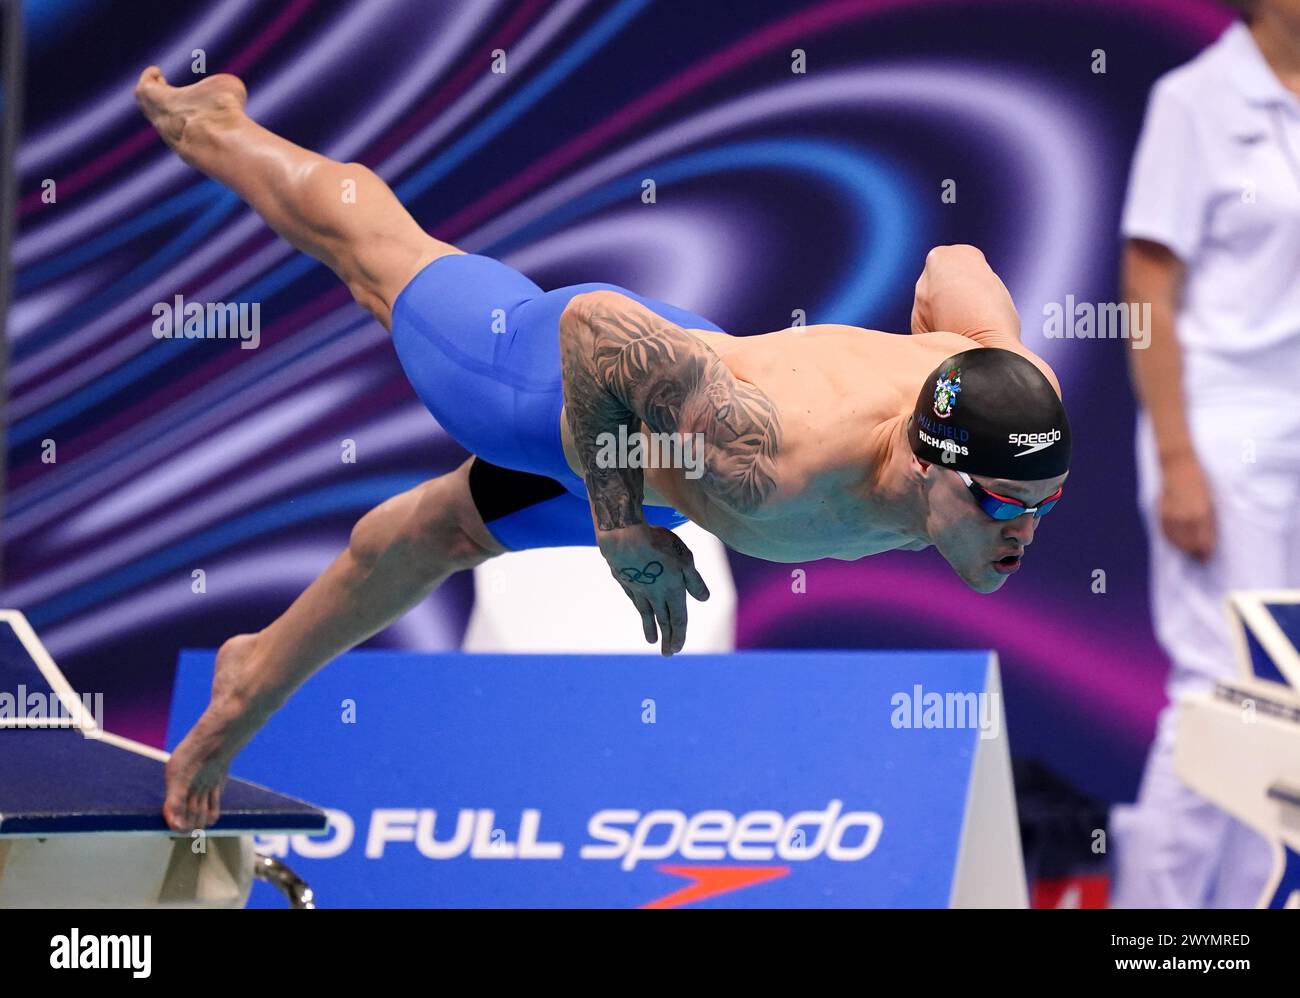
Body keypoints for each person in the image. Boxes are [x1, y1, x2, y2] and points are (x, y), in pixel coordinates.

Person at [133, 67, 1070, 831]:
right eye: (999, 501)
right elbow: (592, 325)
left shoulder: (1009, 393)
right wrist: (619, 532)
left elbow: (954, 266)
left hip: (683, 430)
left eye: (1042, 503)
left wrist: (932, 362)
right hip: (568, 390)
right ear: (924, 461)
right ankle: (210, 126)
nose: (1023, 528)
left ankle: (253, 673)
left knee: (438, 534)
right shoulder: (776, 451)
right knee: (385, 262)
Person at [1112, 0, 1300, 907]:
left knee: (1292, 702)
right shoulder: (1195, 102)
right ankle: (1160, 936)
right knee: (1228, 687)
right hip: (1222, 431)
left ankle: (1247, 919)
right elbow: (1147, 287)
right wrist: (1179, 460)